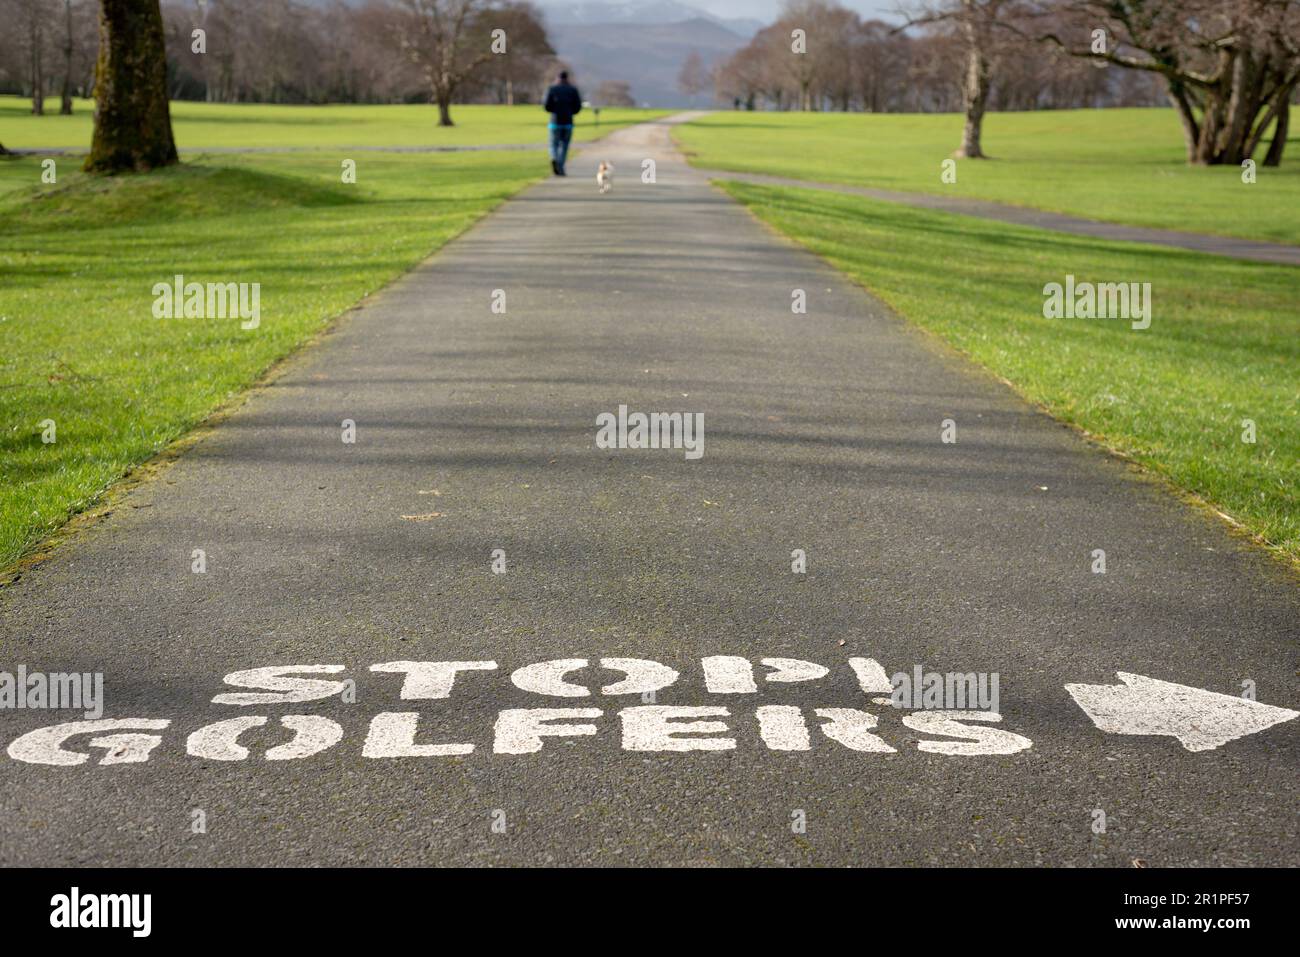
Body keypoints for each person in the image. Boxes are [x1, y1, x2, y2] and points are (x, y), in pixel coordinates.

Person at [543, 71, 582, 176]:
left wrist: (554, 110)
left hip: (554, 122)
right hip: (568, 122)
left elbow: (546, 106)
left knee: (553, 145)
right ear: (567, 78)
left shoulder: (552, 89)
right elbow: (578, 107)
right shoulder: (573, 90)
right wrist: (570, 112)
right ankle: (560, 166)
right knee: (564, 146)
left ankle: (554, 159)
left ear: (557, 78)